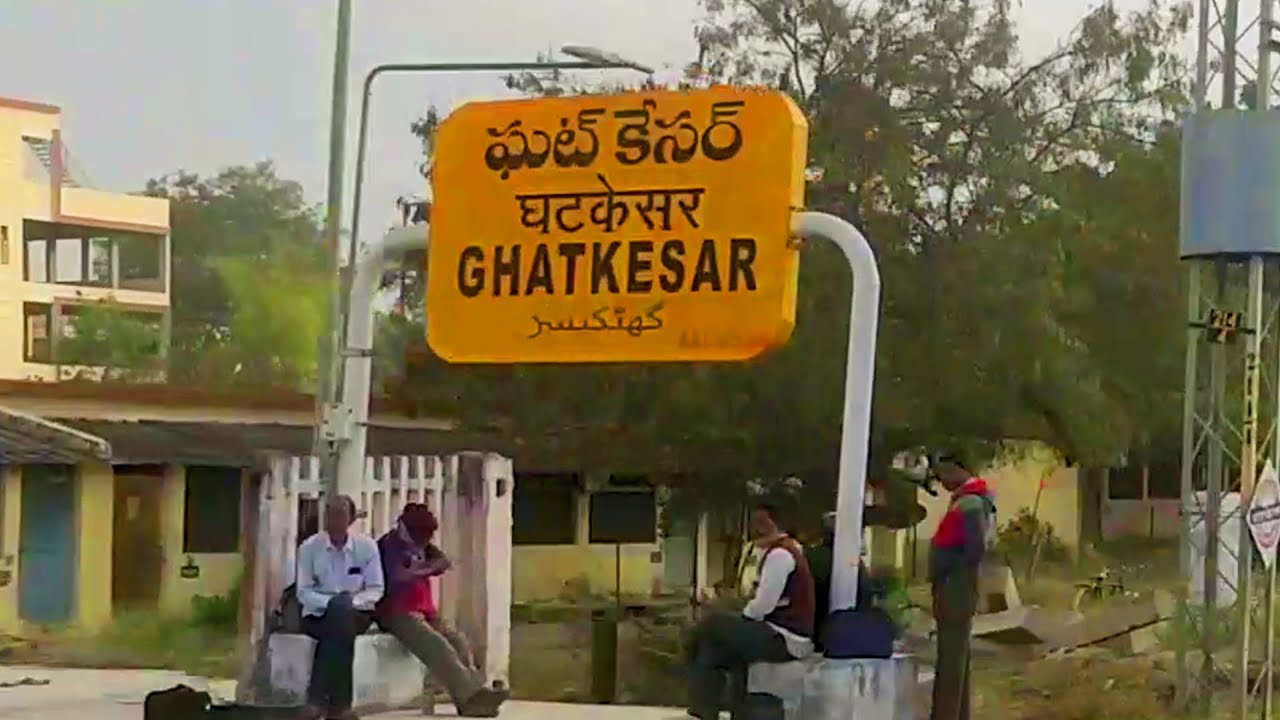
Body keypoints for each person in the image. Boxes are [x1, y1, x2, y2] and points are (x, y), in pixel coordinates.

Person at [375, 503, 508, 717]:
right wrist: (425, 569)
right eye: (421, 536)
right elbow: (398, 576)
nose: (425, 542)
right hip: (396, 612)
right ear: (404, 528)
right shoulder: (389, 546)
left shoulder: (422, 545)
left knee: (457, 640)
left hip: (424, 610)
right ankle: (471, 696)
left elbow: (443, 562)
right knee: (438, 646)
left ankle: (472, 698)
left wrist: (420, 569)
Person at [687, 503, 815, 720]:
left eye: (763, 523)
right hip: (779, 633)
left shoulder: (780, 555)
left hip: (786, 638)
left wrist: (743, 620)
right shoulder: (784, 551)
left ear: (777, 524)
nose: (757, 529)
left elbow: (763, 605)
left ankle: (703, 706)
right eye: (754, 523)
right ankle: (719, 711)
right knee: (714, 650)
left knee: (711, 624)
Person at [295, 495, 385, 720]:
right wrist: (332, 604)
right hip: (318, 614)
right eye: (330, 514)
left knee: (340, 620)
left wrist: (349, 603)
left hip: (357, 612)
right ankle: (341, 706)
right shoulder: (309, 548)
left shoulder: (366, 547)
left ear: (351, 518)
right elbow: (304, 592)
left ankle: (317, 700)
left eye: (340, 514)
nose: (334, 519)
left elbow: (375, 589)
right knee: (339, 626)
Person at [928, 453, 996, 720]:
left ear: (959, 469)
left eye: (944, 473)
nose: (942, 481)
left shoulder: (971, 504)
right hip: (954, 586)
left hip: (955, 588)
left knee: (950, 662)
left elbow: (975, 548)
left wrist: (949, 574)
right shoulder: (966, 500)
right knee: (957, 660)